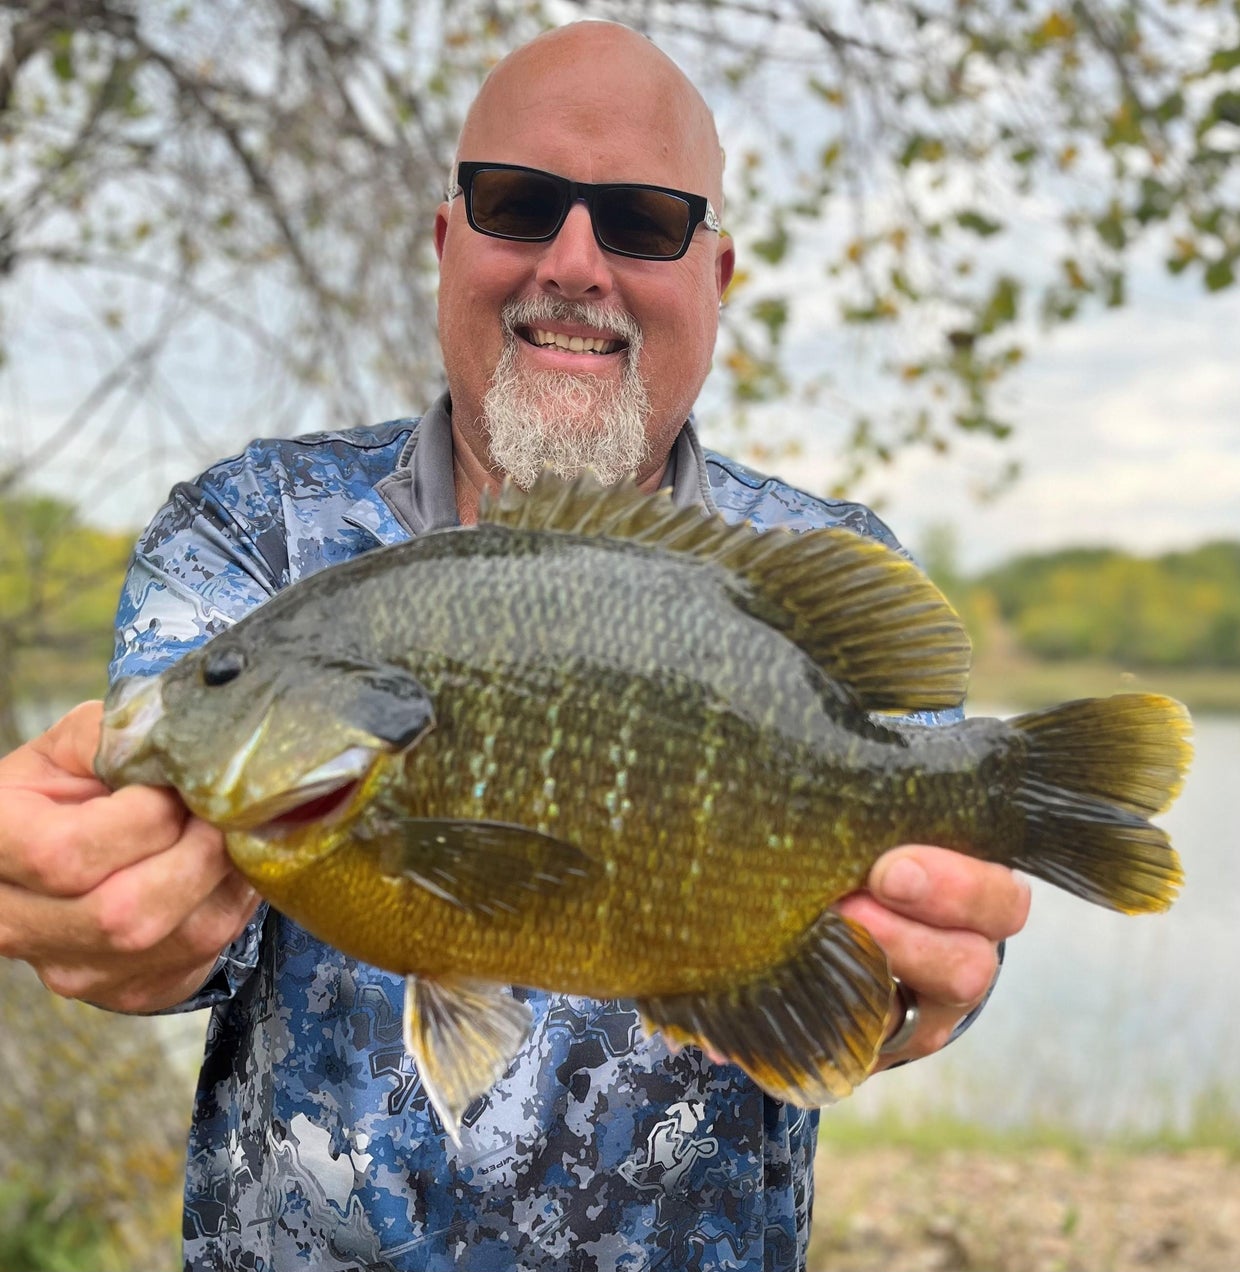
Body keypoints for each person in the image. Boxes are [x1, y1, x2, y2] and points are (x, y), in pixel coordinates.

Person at [0, 21, 1030, 1270]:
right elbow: (172, 924)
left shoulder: (819, 567)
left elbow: (923, 924)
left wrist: (936, 968)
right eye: (518, 203)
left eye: (644, 221)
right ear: (447, 243)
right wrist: (96, 901)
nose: (575, 262)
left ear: (717, 277)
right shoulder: (252, 531)